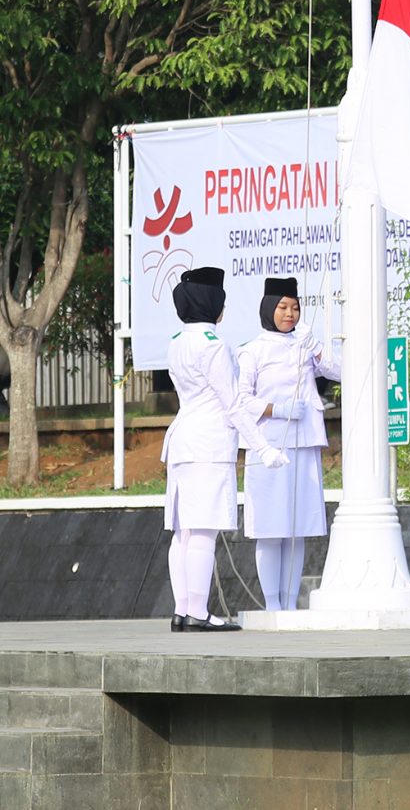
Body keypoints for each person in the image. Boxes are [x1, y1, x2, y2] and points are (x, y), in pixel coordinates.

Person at [163, 266, 283, 632]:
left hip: (182, 440)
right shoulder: (213, 346)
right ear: (212, 302)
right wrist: (263, 448)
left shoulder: (177, 341)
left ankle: (182, 610)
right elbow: (232, 403)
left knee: (183, 531)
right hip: (208, 443)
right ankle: (198, 612)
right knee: (203, 530)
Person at [233, 277, 336, 612]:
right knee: (270, 528)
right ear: (268, 309)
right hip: (269, 445)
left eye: (294, 307)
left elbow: (341, 371)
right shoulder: (253, 350)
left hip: (303, 443)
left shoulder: (305, 344)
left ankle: (291, 604)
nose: (289, 314)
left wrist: (316, 345)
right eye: (282, 307)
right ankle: (273, 604)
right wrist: (276, 410)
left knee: (298, 529)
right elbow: (240, 399)